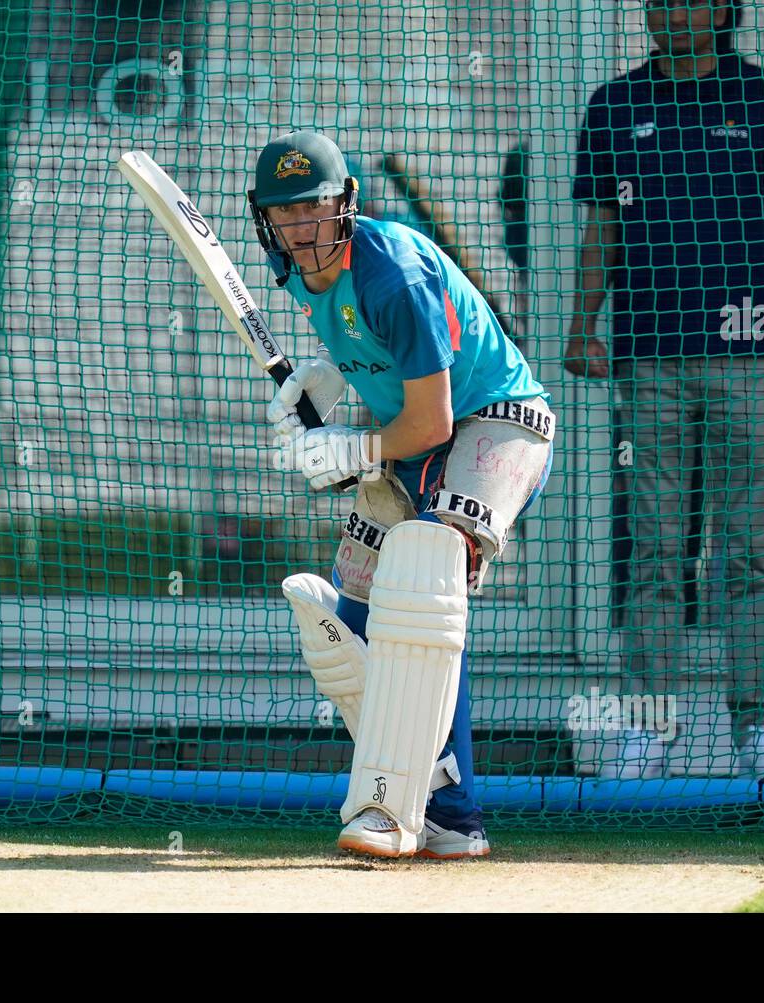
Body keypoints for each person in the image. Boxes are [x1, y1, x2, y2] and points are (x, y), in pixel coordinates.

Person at [250, 130, 556, 858]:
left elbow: (434, 418)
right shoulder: (292, 269)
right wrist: (330, 372)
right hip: (413, 441)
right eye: (285, 213)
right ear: (265, 218)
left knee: (426, 580)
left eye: (315, 209)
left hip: (497, 421)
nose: (302, 229)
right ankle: (435, 802)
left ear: (346, 203)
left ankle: (449, 812)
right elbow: (377, 353)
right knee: (353, 619)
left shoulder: (394, 272)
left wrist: (354, 450)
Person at [566, 0, 764, 779]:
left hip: (755, 358)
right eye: (660, 0)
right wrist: (583, 322)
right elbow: (601, 230)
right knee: (655, 550)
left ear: (726, 8)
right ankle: (644, 732)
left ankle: (760, 730)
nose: (673, 12)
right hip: (649, 360)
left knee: (749, 552)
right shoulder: (614, 105)